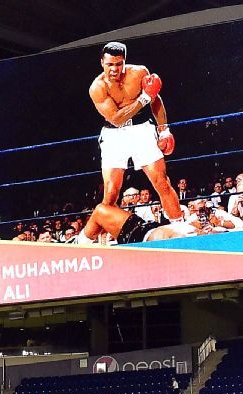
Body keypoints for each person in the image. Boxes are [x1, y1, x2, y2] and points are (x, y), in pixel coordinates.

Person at [78, 41, 182, 245]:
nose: (114, 69)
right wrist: (144, 98)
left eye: (118, 64)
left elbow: (156, 101)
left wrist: (164, 129)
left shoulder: (139, 73)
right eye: (109, 65)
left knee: (161, 181)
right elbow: (116, 118)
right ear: (102, 63)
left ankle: (180, 229)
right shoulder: (97, 87)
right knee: (110, 193)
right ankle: (94, 242)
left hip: (142, 129)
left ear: (124, 61)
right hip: (114, 135)